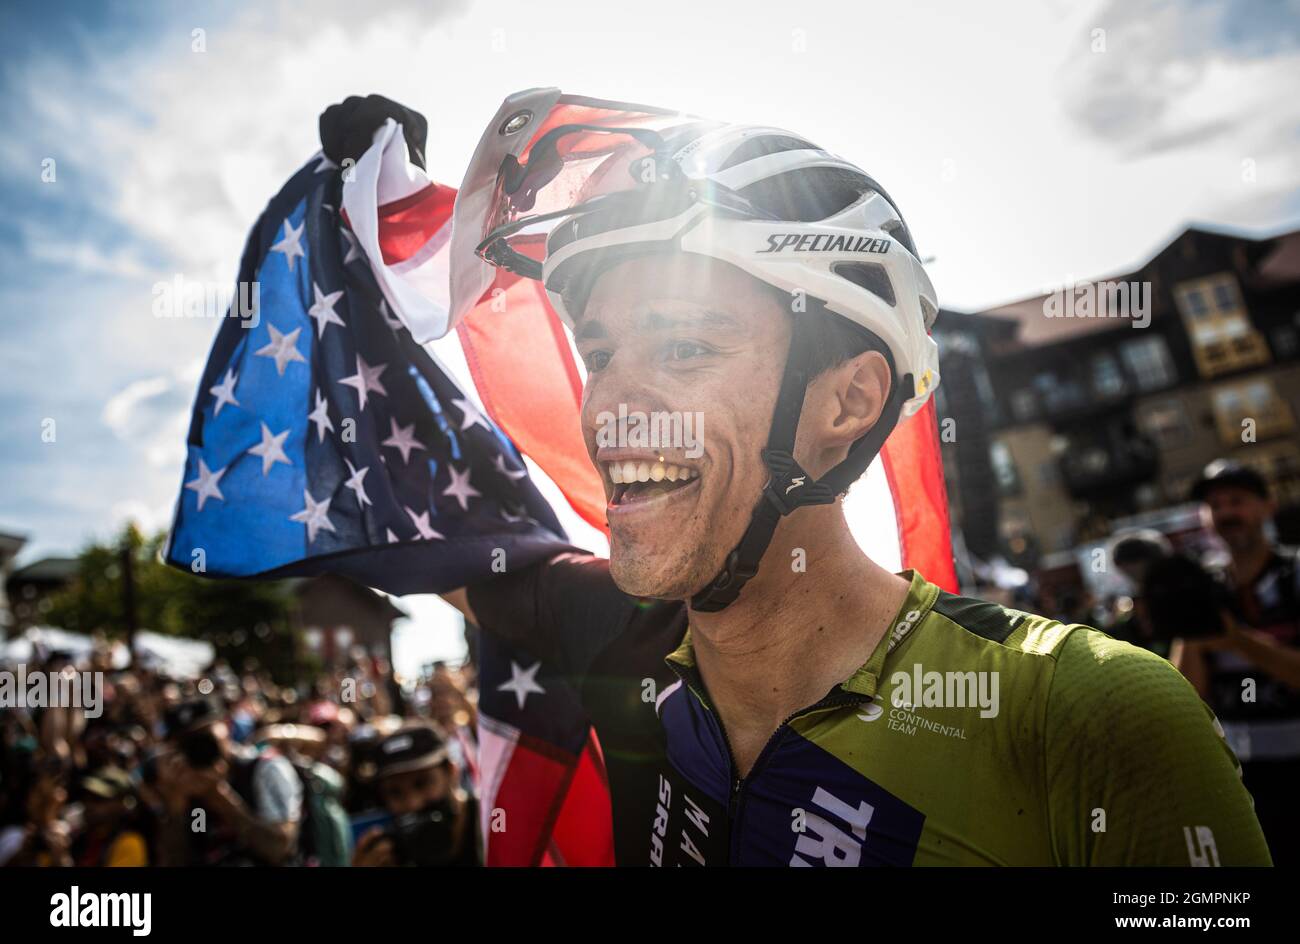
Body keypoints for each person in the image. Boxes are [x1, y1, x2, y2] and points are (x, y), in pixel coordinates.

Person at [325, 93, 1270, 866]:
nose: (611, 405)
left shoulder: (1089, 713)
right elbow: (406, 519)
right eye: (602, 351)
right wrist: (360, 227)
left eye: (685, 344)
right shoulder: (618, 636)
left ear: (849, 401)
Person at [1172, 459, 1300, 864]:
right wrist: (1190, 622)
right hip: (1241, 783)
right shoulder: (1204, 588)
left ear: (1266, 506)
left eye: (1237, 501)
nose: (1226, 513)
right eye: (1215, 505)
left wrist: (1236, 640)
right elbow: (1187, 696)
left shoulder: (1293, 576)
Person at [154, 696, 303, 866]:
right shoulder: (194, 798)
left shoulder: (265, 770)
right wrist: (176, 807)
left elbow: (279, 848)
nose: (198, 748)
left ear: (226, 725)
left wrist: (220, 797)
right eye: (186, 743)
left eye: (204, 737)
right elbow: (183, 858)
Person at [350, 722, 479, 867]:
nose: (413, 803)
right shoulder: (392, 853)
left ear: (452, 772)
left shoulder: (490, 822)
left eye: (422, 783)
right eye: (395, 792)